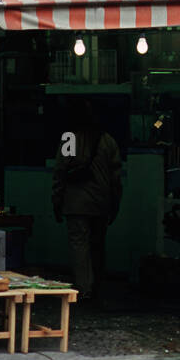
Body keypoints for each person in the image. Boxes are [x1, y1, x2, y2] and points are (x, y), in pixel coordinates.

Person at [52, 101, 122, 302]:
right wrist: (115, 203)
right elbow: (115, 178)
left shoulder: (70, 139)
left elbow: (60, 172)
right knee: (98, 244)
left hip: (75, 203)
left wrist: (56, 200)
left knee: (79, 245)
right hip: (101, 202)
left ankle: (84, 287)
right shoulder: (107, 140)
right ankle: (99, 284)